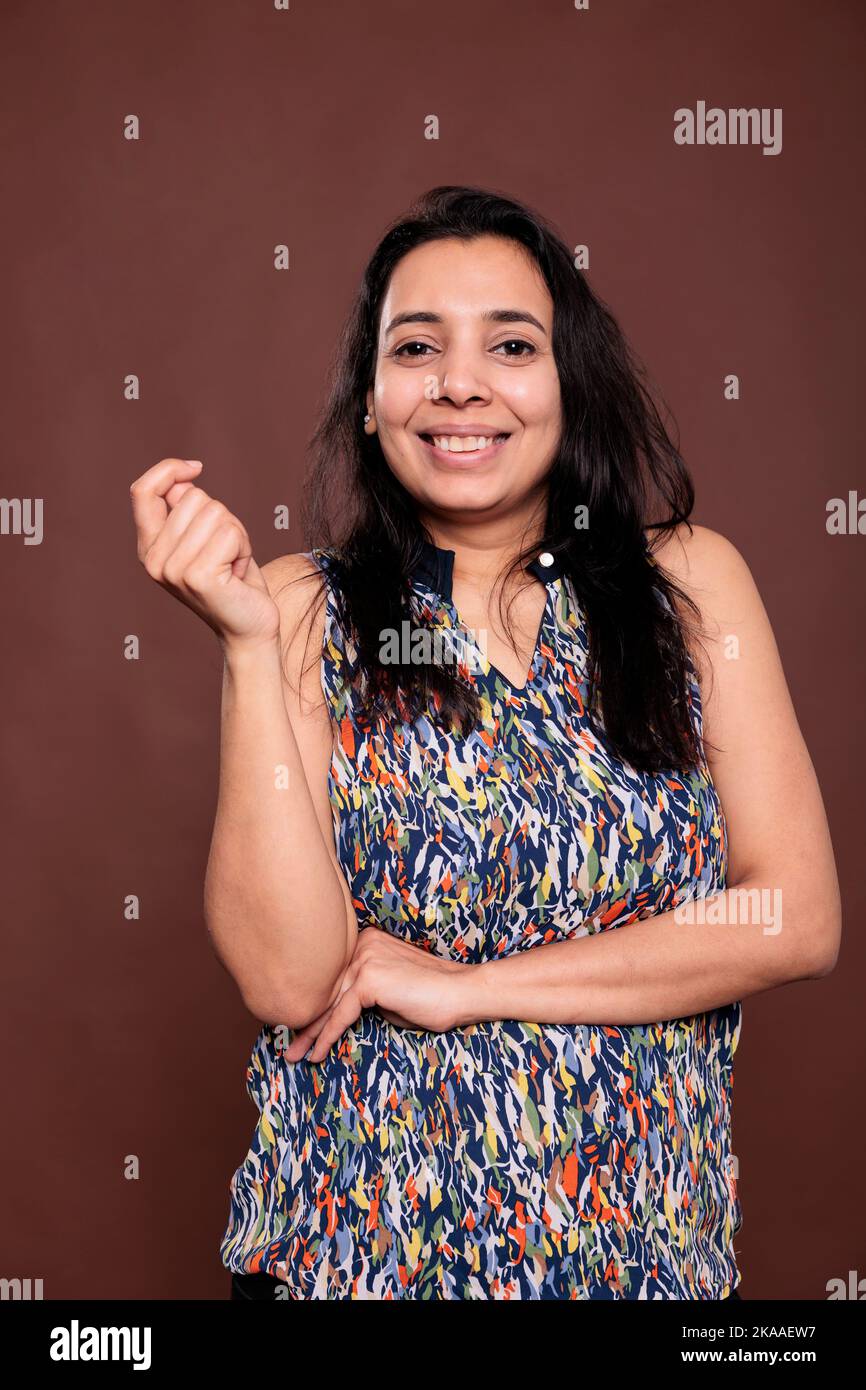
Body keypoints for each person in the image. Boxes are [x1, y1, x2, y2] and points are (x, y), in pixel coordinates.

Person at [130, 185, 841, 1301]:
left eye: (509, 344)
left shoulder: (690, 585)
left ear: (569, 388)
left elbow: (791, 915)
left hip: (640, 1263)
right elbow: (286, 977)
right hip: (352, 1257)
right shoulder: (296, 608)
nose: (459, 382)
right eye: (416, 346)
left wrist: (473, 985)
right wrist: (244, 647)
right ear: (369, 400)